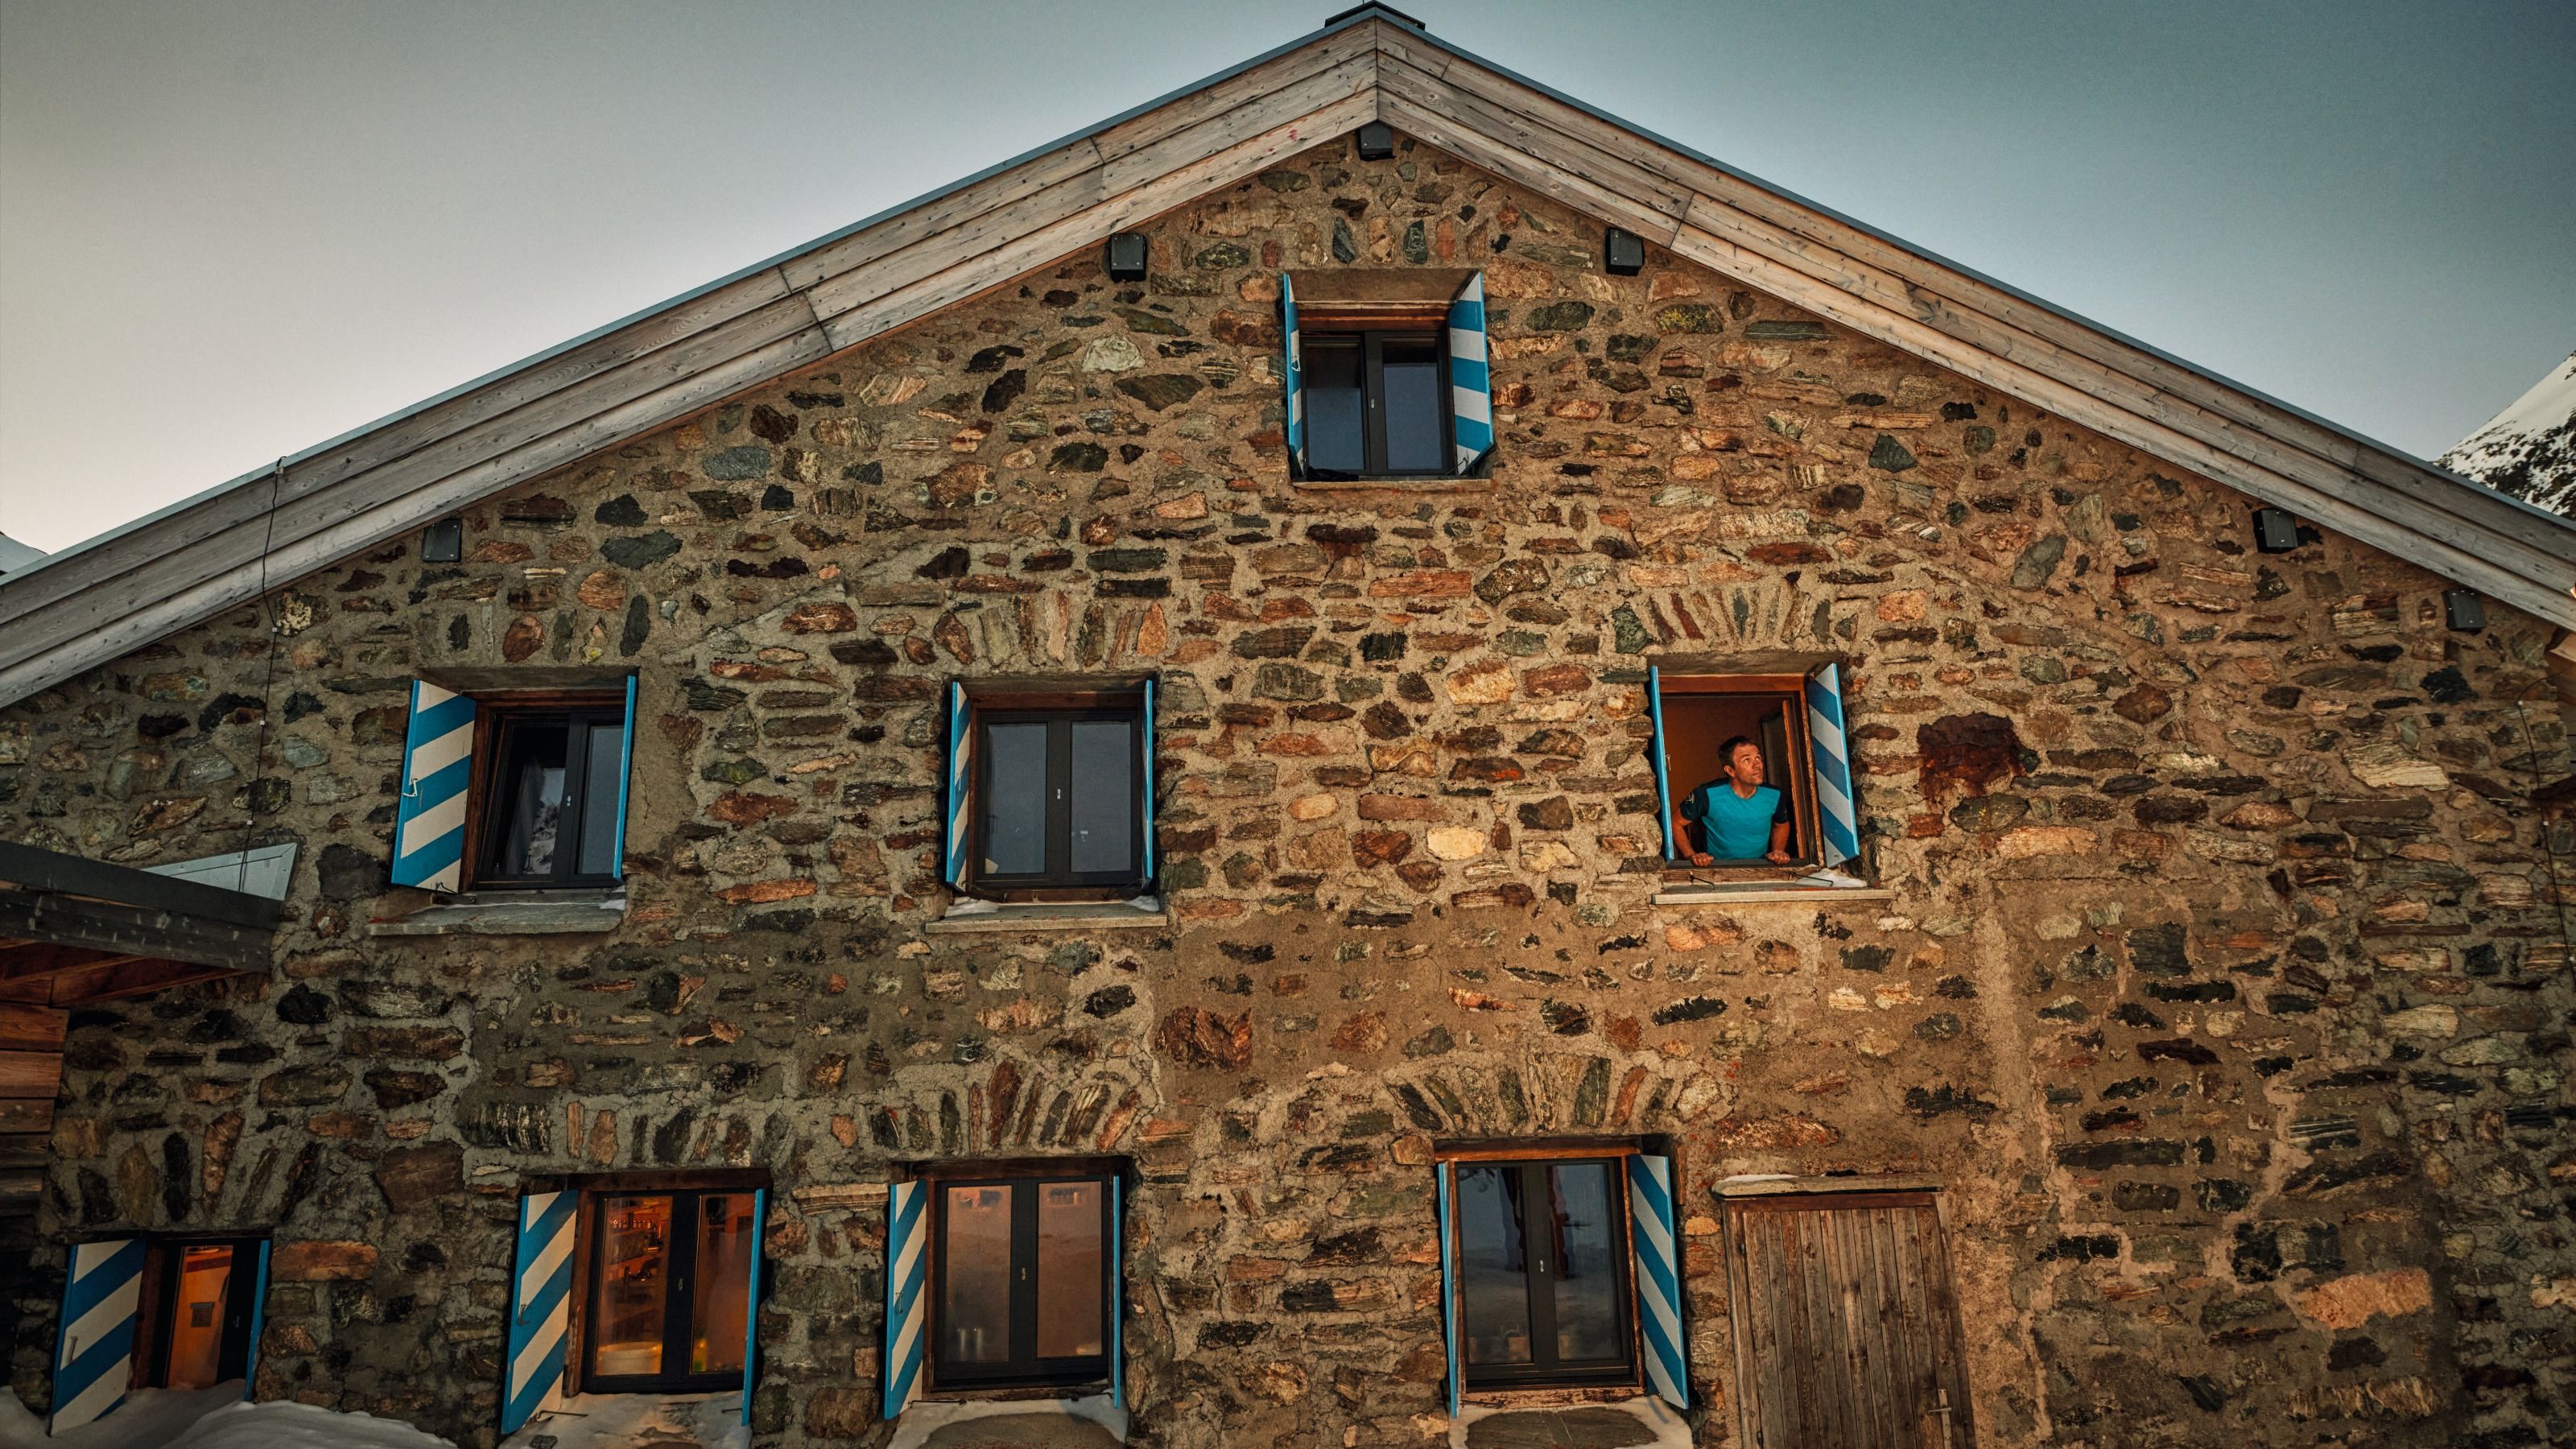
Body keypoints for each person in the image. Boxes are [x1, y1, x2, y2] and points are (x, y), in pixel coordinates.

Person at [1676, 735, 1793, 865]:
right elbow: (1675, 823)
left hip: (1761, 869)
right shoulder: (1707, 794)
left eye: (1758, 758)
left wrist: (1778, 852)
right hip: (1718, 871)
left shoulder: (1774, 795)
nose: (1757, 765)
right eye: (1747, 760)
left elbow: (1782, 824)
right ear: (1730, 770)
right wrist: (1691, 856)